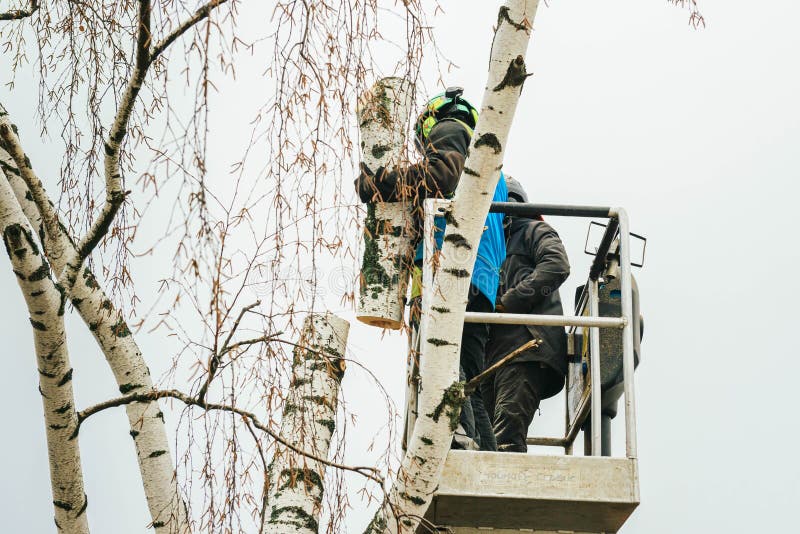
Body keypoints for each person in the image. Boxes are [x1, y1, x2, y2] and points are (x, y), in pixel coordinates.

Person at [355, 87, 505, 451]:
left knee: (447, 364)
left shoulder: (452, 129)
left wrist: (378, 184)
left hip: (453, 269)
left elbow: (440, 175)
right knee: (468, 375)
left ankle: (456, 439)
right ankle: (486, 454)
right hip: (480, 278)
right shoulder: (493, 168)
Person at [482, 176, 570, 453]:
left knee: (506, 436)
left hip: (526, 348)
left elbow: (556, 265)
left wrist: (510, 301)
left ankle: (500, 492)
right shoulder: (488, 248)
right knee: (482, 441)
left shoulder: (534, 231)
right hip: (491, 356)